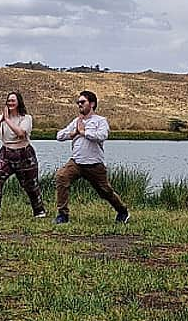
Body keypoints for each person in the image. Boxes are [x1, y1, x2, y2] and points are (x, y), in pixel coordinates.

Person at [53, 90, 130, 224]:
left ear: (92, 104)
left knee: (105, 191)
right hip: (76, 163)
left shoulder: (100, 121)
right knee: (61, 177)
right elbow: (59, 136)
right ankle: (62, 215)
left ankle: (122, 211)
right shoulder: (76, 121)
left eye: (82, 102)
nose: (79, 105)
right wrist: (73, 133)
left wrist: (84, 132)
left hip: (94, 164)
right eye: (78, 103)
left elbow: (102, 136)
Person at [0, 91, 46, 221]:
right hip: (6, 154)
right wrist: (1, 119)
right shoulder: (2, 118)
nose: (10, 103)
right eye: (8, 101)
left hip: (24, 155)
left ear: (19, 102)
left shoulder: (26, 118)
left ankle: (39, 210)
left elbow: (20, 133)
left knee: (30, 185)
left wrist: (8, 120)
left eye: (13, 100)